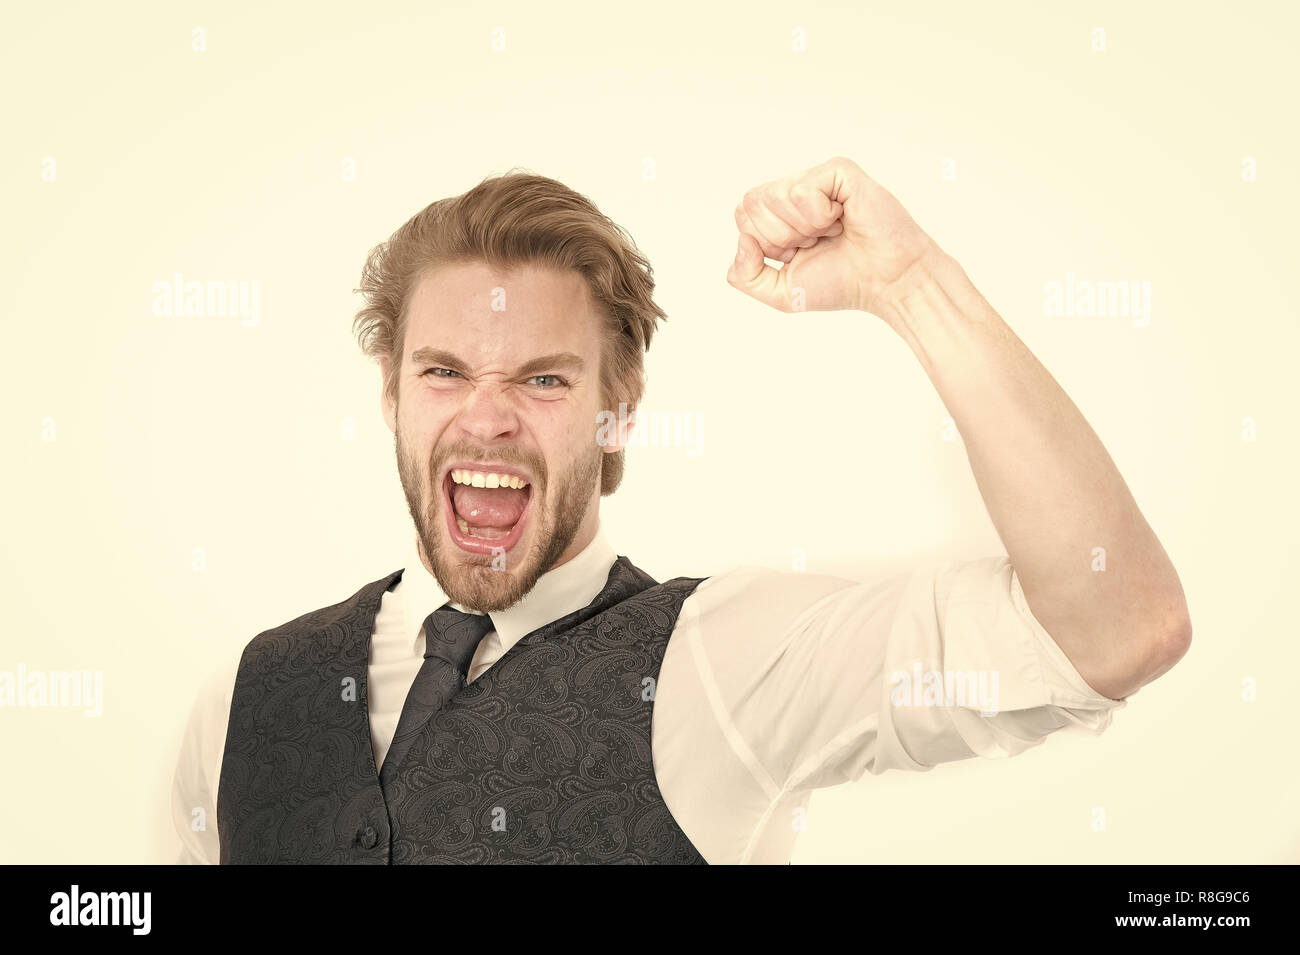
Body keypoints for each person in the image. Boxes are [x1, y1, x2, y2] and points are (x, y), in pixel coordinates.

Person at [171, 156, 1191, 864]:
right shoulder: (247, 695)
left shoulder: (724, 662)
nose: (484, 418)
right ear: (390, 394)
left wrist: (909, 282)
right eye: (443, 371)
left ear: (618, 413)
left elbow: (1118, 627)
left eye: (544, 381)